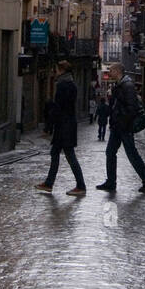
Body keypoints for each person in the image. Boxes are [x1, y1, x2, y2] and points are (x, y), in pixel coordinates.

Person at [97, 62, 145, 194]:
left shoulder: (127, 86)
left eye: (111, 70)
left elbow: (131, 107)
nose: (109, 72)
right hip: (118, 126)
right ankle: (111, 182)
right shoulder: (120, 85)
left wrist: (123, 123)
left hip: (124, 127)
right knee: (110, 152)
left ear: (117, 71)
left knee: (132, 155)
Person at [36, 60, 86, 197]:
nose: (55, 72)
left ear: (62, 70)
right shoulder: (71, 84)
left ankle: (81, 186)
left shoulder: (63, 85)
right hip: (66, 124)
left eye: (56, 70)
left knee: (70, 155)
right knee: (55, 153)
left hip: (64, 126)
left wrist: (48, 126)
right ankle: (48, 183)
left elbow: (58, 108)